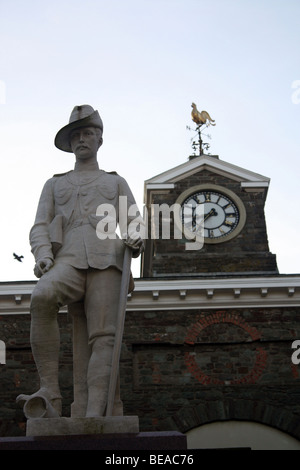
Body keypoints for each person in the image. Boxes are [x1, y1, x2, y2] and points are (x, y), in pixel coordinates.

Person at [24, 105, 144, 418]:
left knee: (103, 335)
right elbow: (40, 224)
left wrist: (135, 236)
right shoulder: (54, 184)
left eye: (88, 133)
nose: (82, 140)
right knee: (41, 296)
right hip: (68, 261)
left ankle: (94, 414)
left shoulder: (115, 182)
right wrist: (43, 255)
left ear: (99, 139)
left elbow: (133, 220)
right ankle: (49, 389)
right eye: (76, 135)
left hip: (108, 260)